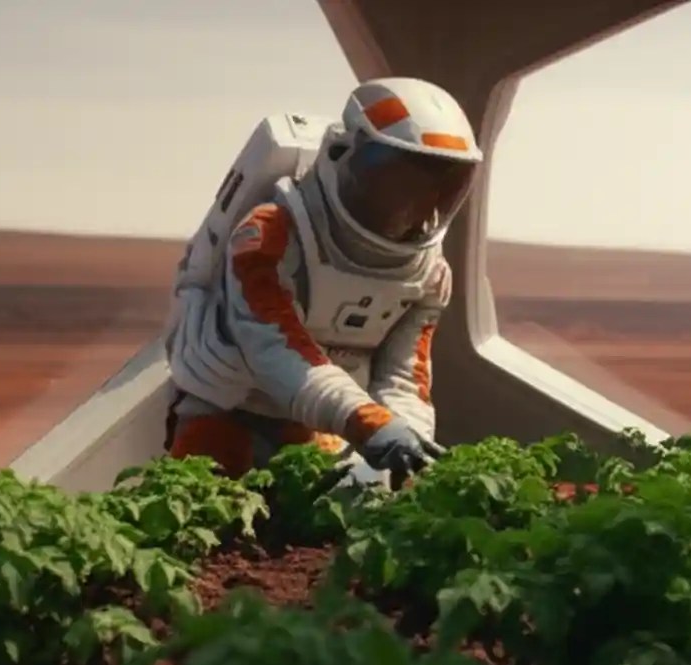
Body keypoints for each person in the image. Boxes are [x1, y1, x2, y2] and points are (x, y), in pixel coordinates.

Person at [163, 76, 484, 486]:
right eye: (396, 189)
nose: (408, 212)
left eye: (430, 195)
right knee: (204, 500)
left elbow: (404, 377)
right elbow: (280, 352)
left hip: (322, 420)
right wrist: (369, 423)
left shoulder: (430, 274)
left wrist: (411, 448)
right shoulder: (270, 234)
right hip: (228, 405)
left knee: (342, 507)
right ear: (340, 156)